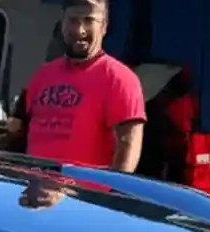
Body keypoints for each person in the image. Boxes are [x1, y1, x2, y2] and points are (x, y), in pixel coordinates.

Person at [11, 0, 146, 172]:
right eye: (73, 20)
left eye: (89, 21)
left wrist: (110, 195)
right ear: (62, 24)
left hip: (82, 196)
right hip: (33, 190)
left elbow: (129, 145)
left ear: (104, 26)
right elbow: (16, 133)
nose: (79, 30)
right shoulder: (41, 76)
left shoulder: (120, 79)